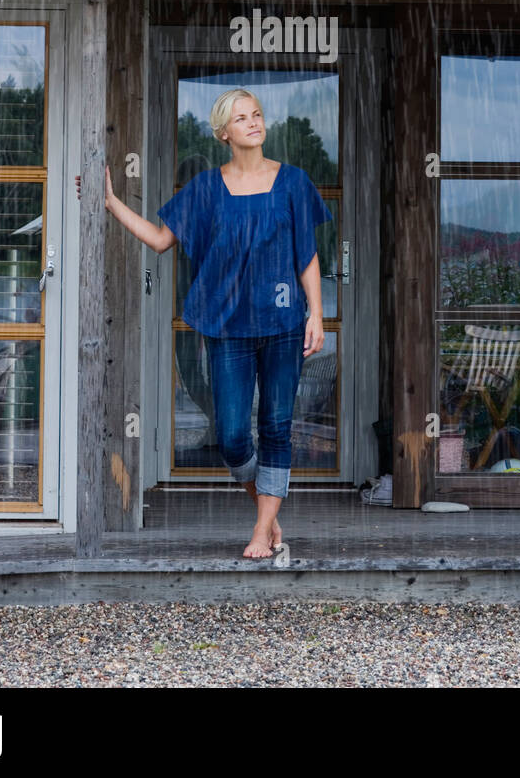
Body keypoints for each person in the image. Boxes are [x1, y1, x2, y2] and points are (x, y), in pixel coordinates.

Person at [76, 87, 332, 559]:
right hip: (227, 326)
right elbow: (158, 239)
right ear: (223, 133)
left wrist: (316, 313)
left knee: (276, 427)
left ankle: (260, 530)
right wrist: (111, 204)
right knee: (233, 436)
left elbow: (307, 257)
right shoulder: (206, 189)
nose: (253, 122)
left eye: (257, 114)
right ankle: (268, 513)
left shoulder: (293, 182)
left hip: (283, 324)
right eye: (241, 118)